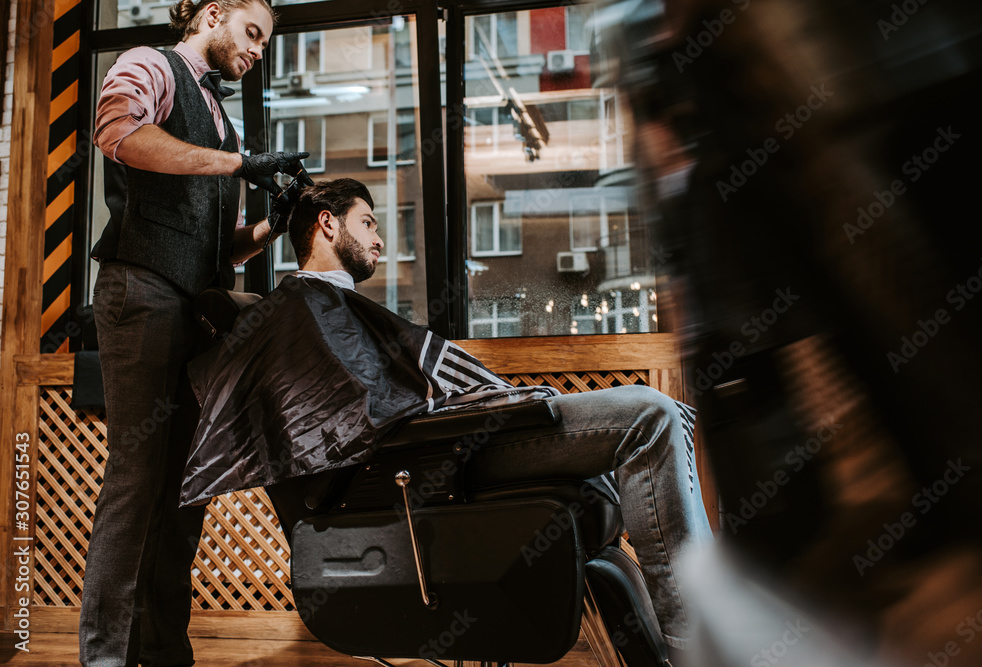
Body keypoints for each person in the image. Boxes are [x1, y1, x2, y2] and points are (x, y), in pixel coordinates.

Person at [180, 178, 716, 657]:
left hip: (457, 440)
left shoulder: (332, 309)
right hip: (440, 457)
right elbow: (360, 423)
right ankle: (695, 644)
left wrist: (491, 401)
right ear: (326, 223)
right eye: (367, 223)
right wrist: (475, 406)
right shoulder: (300, 309)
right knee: (650, 413)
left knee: (663, 415)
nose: (379, 240)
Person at [80, 1, 312, 664]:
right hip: (141, 292)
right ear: (212, 14)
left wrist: (272, 225)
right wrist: (237, 166)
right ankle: (102, 657)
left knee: (185, 490)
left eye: (265, 43)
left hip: (195, 309)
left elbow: (214, 248)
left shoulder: (221, 119)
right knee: (136, 479)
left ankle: (161, 652)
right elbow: (116, 130)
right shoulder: (147, 65)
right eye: (252, 33)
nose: (258, 51)